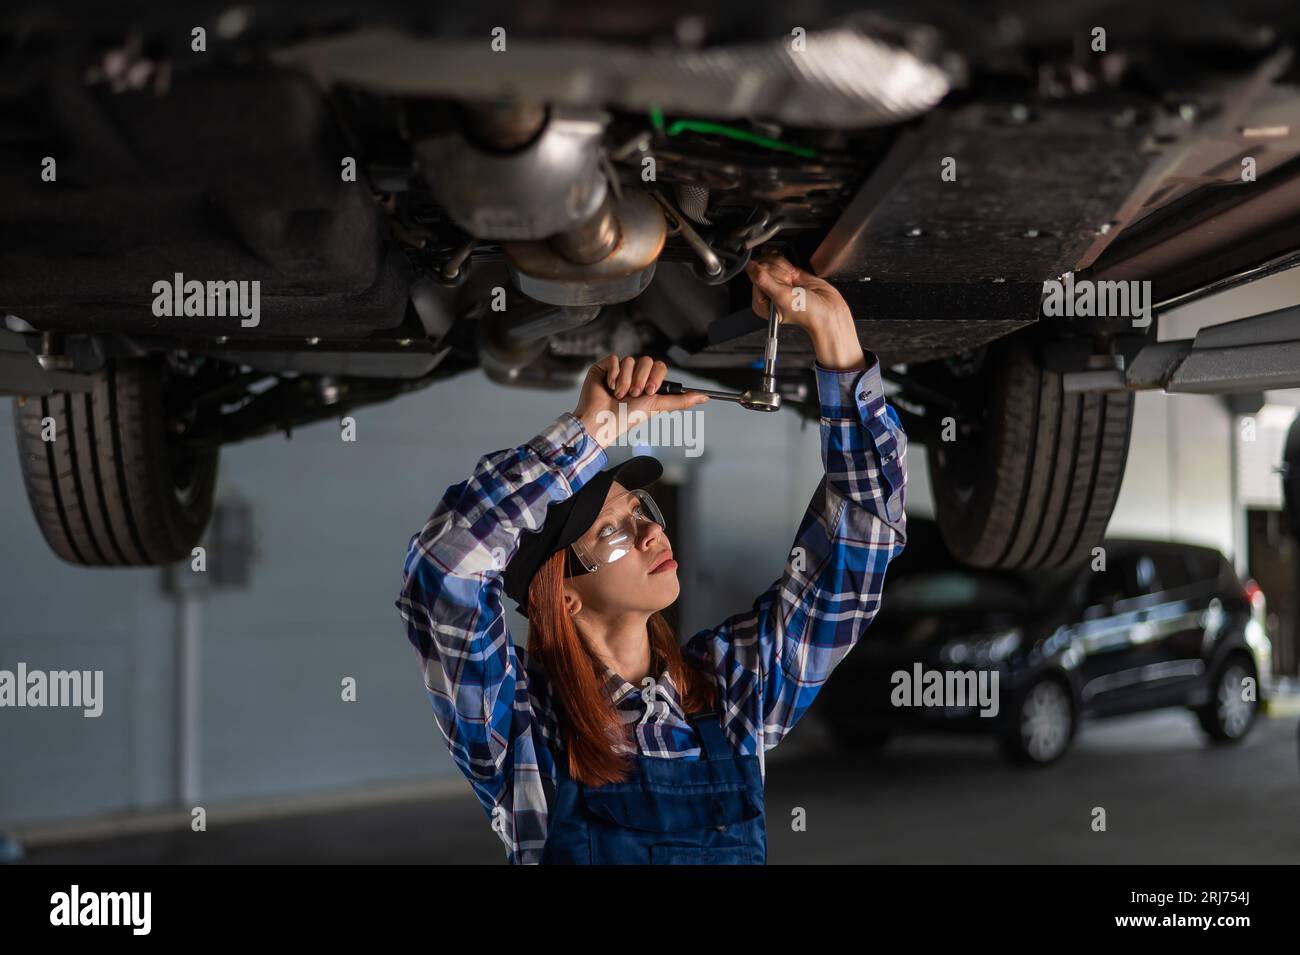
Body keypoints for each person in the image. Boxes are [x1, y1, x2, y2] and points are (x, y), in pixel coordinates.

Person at [395, 253, 908, 864]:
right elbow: (443, 570)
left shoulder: (727, 692)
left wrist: (836, 338)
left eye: (643, 514)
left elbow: (861, 541)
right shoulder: (523, 731)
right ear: (562, 595)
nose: (650, 536)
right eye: (611, 532)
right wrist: (589, 433)